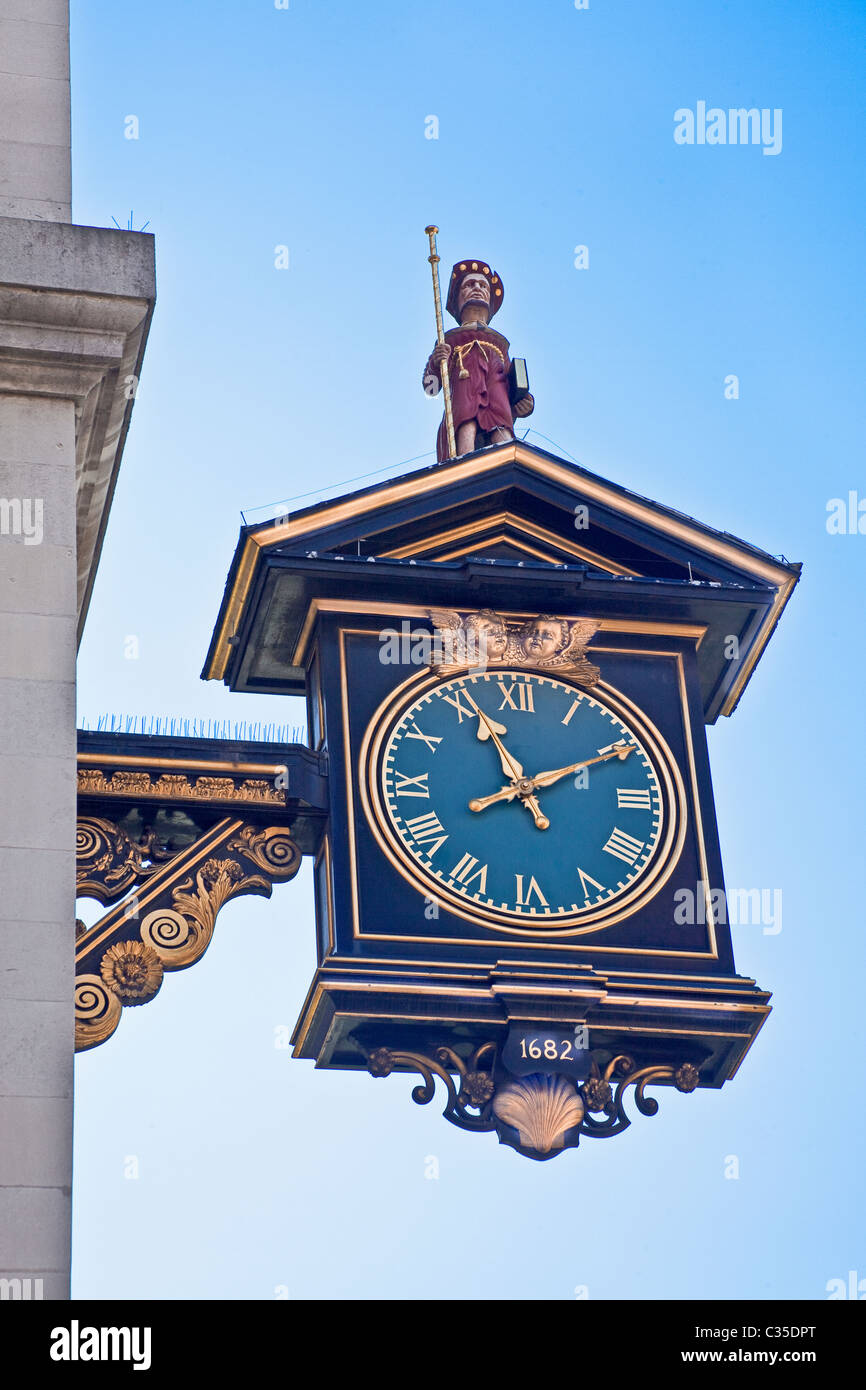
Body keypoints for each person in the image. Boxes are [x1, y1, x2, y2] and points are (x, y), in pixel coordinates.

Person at [422, 260, 534, 460]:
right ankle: (465, 460)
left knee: (501, 423)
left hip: (497, 400)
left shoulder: (500, 344)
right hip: (464, 396)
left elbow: (512, 385)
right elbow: (430, 389)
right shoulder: (449, 340)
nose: (477, 289)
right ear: (458, 298)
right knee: (466, 418)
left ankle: (507, 460)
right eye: (469, 284)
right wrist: (436, 362)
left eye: (483, 286)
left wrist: (523, 401)